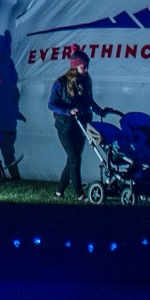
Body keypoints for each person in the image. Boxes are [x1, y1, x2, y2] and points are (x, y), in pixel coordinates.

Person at [47, 50, 115, 199]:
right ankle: (79, 194)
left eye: (87, 66)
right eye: (83, 67)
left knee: (73, 159)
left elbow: (89, 100)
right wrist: (68, 110)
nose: (86, 70)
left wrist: (100, 111)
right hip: (65, 126)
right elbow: (51, 104)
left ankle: (59, 192)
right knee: (75, 158)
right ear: (74, 67)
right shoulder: (61, 83)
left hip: (81, 124)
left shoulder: (86, 80)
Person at [0, 31, 23, 181]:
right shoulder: (6, 71)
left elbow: (12, 94)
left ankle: (2, 178)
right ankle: (10, 178)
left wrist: (12, 112)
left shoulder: (5, 72)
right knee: (4, 152)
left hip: (3, 121)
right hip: (3, 120)